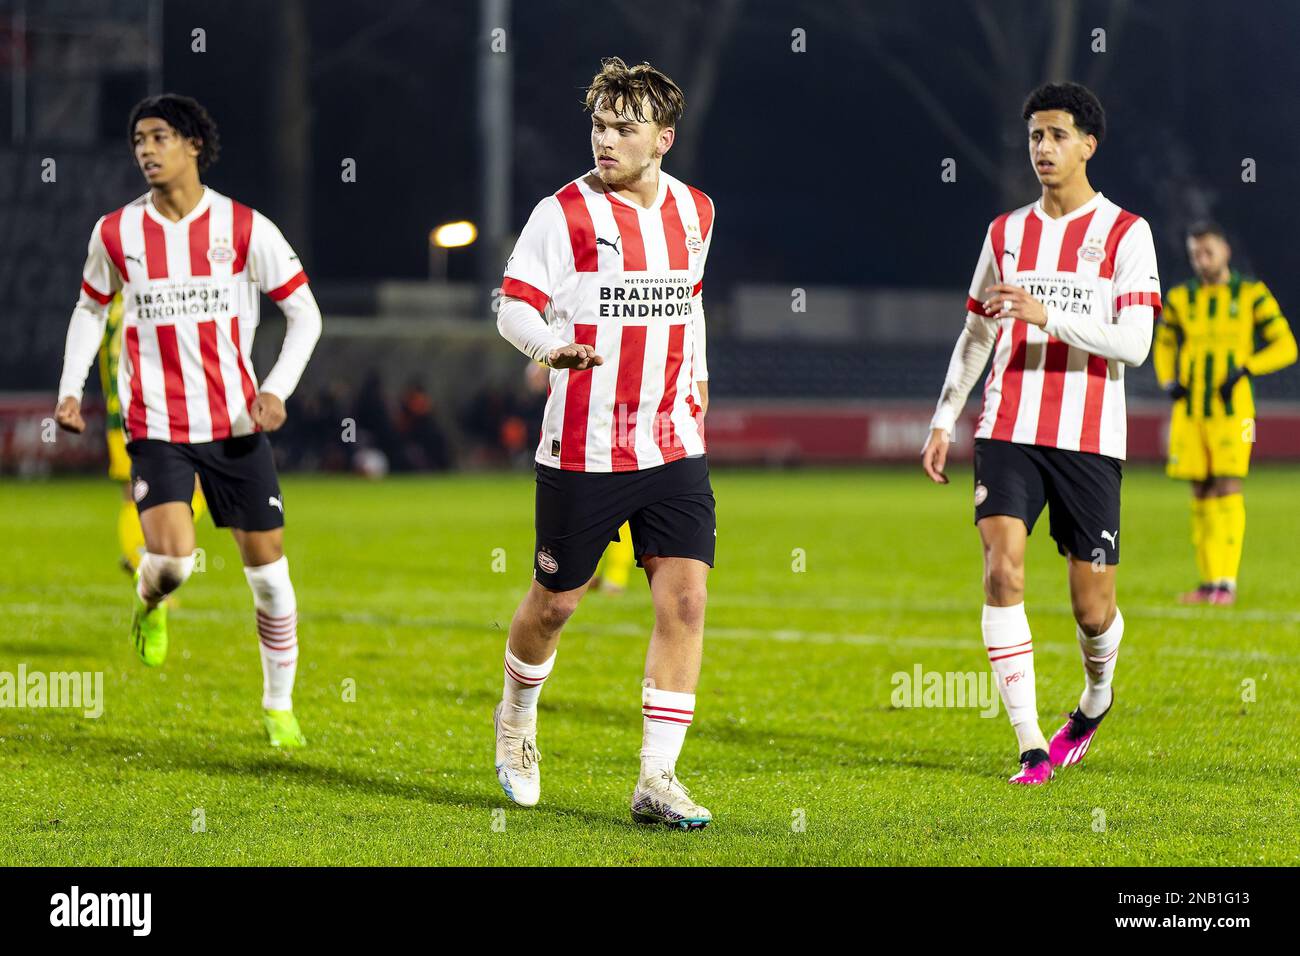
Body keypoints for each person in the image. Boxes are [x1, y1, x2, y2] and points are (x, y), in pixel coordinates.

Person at [54, 94, 322, 748]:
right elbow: (91, 309)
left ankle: (278, 705)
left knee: (269, 573)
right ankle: (150, 605)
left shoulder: (245, 228)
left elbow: (305, 313)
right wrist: (70, 390)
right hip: (157, 424)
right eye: (138, 140)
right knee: (173, 561)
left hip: (234, 425)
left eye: (159, 137)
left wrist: (276, 389)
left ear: (193, 144)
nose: (146, 150)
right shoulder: (115, 233)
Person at [493, 58, 716, 827]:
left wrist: (701, 377)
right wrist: (550, 347)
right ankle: (517, 720)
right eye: (599, 125)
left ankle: (657, 779)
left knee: (685, 600)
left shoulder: (697, 211)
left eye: (624, 127)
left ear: (664, 138)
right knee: (556, 604)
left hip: (672, 440)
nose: (606, 139)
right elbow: (511, 306)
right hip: (584, 446)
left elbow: (689, 304)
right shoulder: (562, 215)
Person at [921, 82, 1161, 785]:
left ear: (1089, 144)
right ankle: (1029, 743)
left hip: (1089, 436)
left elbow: (1136, 343)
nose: (1043, 149)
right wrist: (944, 417)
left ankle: (1094, 698)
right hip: (1009, 425)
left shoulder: (1126, 234)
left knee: (1093, 608)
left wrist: (1045, 316)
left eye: (1056, 135)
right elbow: (974, 333)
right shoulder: (1005, 233)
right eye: (1034, 136)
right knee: (1002, 568)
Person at [1154, 222, 1297, 605]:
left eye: (1208, 252)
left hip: (1237, 414)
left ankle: (1226, 583)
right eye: (1195, 254)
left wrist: (1247, 367)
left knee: (1228, 485)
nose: (1202, 261)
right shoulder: (1181, 298)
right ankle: (1207, 583)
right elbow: (1164, 343)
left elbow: (1286, 346)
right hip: (1191, 410)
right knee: (1200, 489)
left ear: (1225, 252)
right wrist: (1169, 381)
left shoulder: (1250, 294)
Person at [100, 291, 207, 576]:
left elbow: (103, 366)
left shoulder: (109, 312)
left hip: (117, 413)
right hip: (150, 412)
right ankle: (146, 559)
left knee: (133, 494)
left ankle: (140, 555)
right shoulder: (147, 304)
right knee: (195, 488)